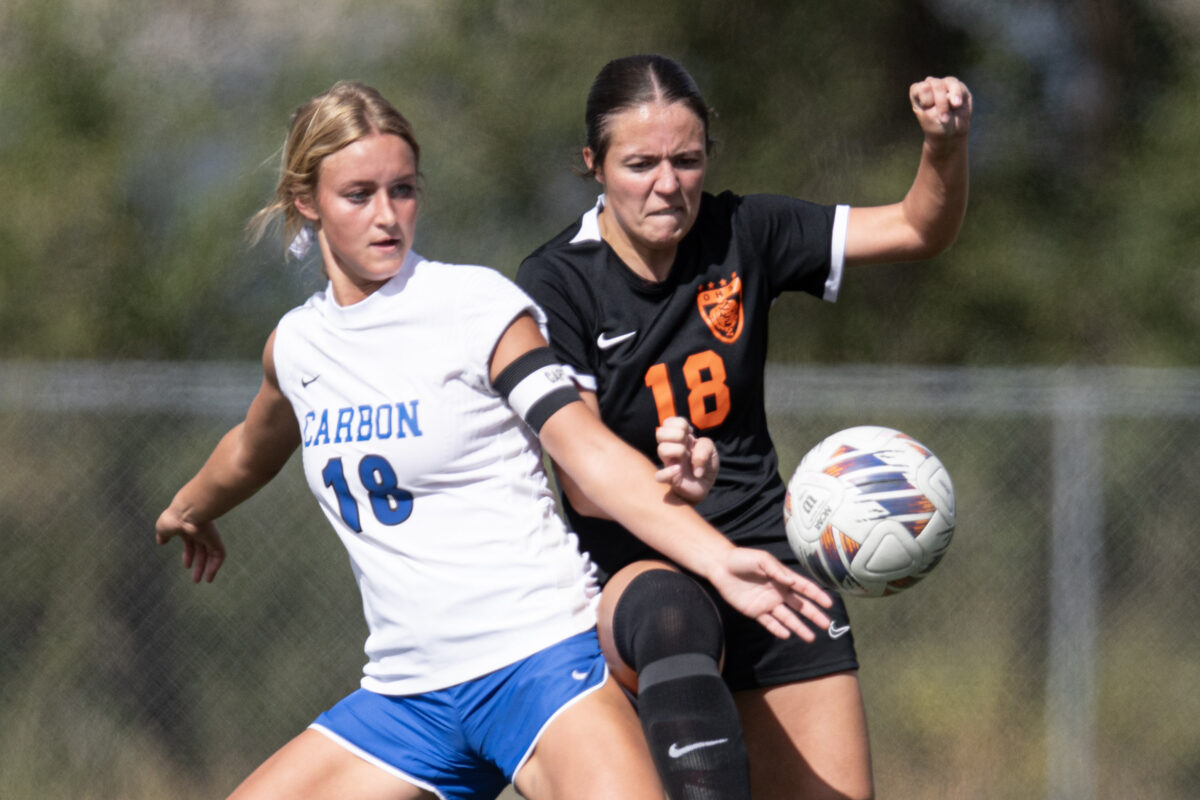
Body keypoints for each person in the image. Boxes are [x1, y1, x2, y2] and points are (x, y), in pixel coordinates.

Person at [154, 80, 836, 800]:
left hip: (540, 670)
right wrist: (189, 508)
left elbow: (587, 451)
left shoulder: (475, 307)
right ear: (306, 201)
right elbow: (251, 445)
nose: (388, 217)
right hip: (406, 698)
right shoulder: (298, 346)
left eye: (404, 190)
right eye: (359, 194)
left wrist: (720, 557)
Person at [516, 55, 971, 800]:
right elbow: (587, 485)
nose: (668, 183)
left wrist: (943, 146)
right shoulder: (556, 284)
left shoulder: (744, 232)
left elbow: (919, 228)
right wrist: (674, 480)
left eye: (687, 160)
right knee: (671, 616)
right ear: (594, 165)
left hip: (772, 559)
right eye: (640, 163)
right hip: (637, 575)